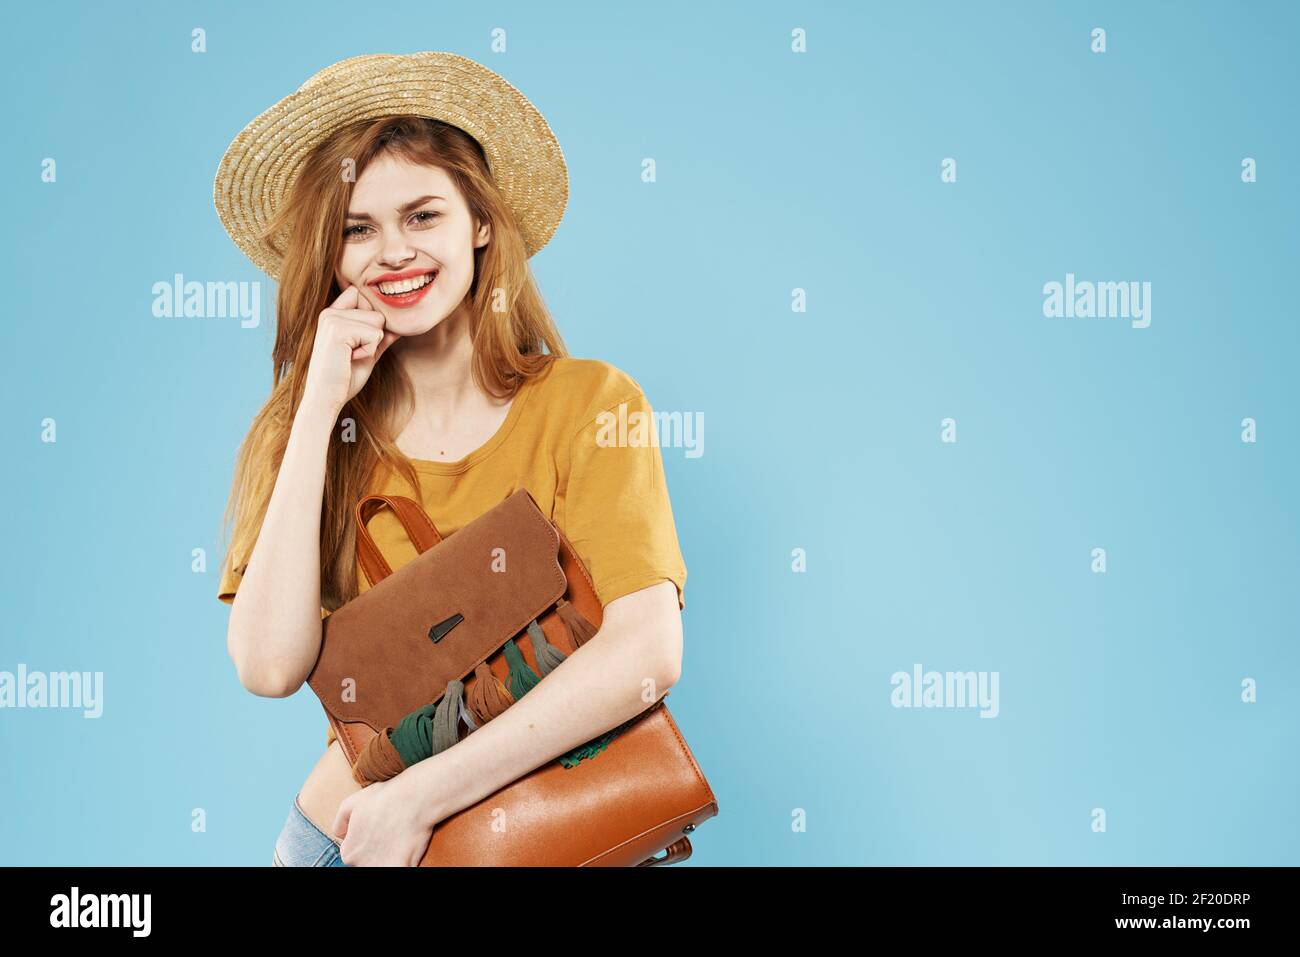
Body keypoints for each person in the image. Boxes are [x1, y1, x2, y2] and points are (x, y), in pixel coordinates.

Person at [212, 53, 687, 867]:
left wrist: (421, 795)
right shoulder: (311, 436)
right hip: (356, 845)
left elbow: (647, 653)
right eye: (357, 229)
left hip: (527, 830)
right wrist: (318, 407)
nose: (392, 252)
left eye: (422, 215)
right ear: (332, 256)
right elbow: (267, 665)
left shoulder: (589, 405)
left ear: (480, 223)